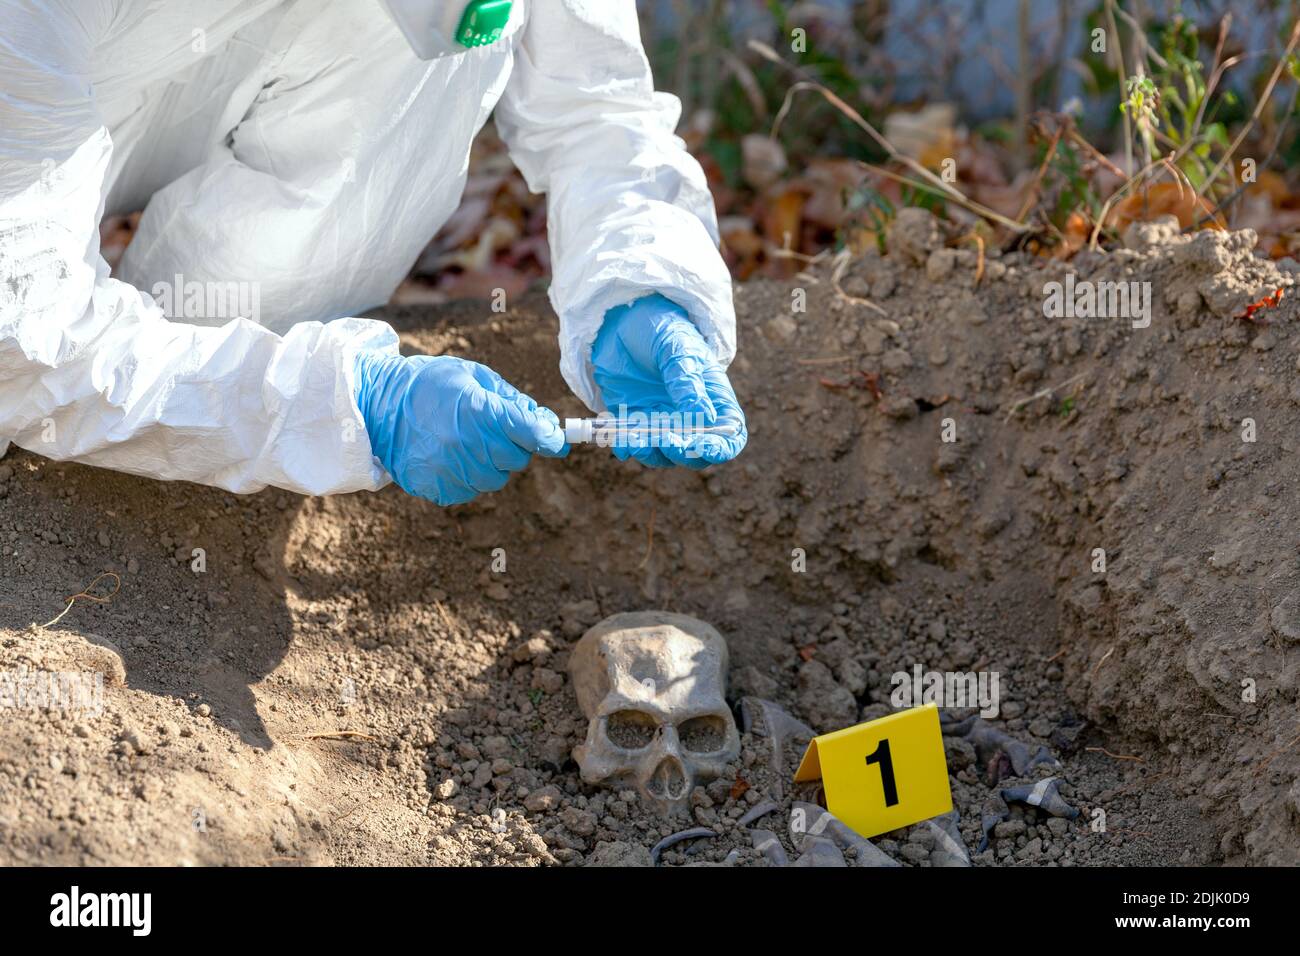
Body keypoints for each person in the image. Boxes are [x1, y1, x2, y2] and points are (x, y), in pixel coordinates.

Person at [0, 0, 746, 507]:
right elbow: (18, 334)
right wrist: (344, 402)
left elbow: (597, 106)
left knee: (451, 46)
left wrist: (642, 281)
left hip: (160, 85)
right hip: (35, 106)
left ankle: (186, 398)